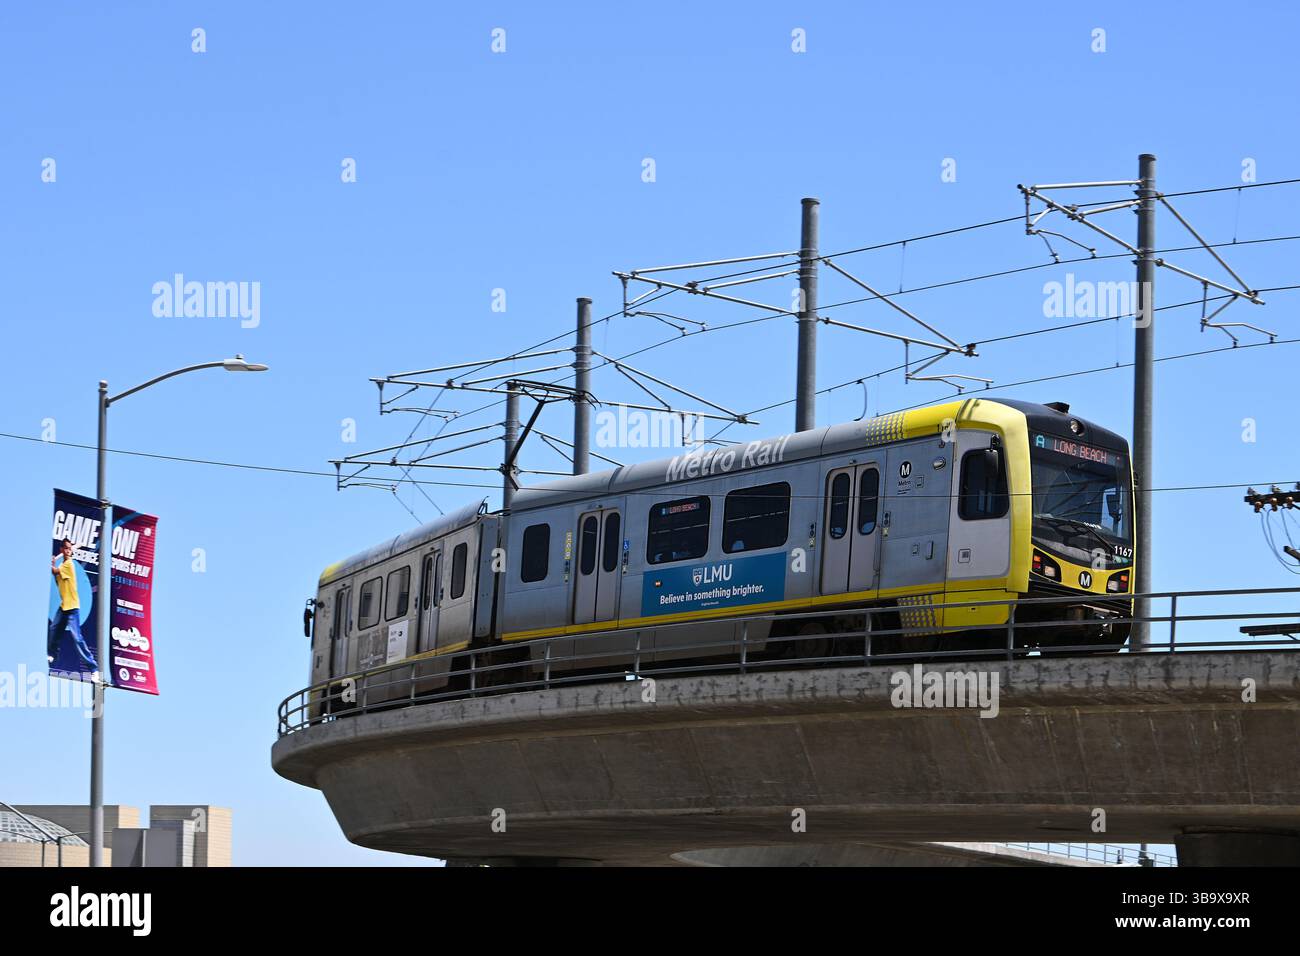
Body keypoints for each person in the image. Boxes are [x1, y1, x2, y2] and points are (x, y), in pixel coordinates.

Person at [48, 538, 99, 681]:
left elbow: (55, 571)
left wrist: (51, 564)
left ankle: (93, 669)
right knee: (53, 630)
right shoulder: (63, 564)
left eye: (70, 549)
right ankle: (52, 654)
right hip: (64, 606)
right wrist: (52, 563)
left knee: (78, 638)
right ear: (62, 550)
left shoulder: (68, 565)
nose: (69, 551)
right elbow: (55, 573)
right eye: (66, 548)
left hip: (72, 608)